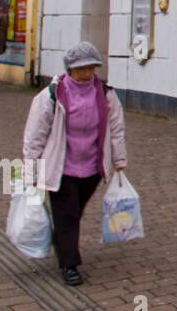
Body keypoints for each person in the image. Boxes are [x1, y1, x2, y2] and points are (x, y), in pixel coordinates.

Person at [21, 42, 127, 286]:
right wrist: (31, 170)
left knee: (74, 213)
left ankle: (61, 242)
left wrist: (119, 159)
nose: (87, 73)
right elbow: (34, 136)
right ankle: (69, 265)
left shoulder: (105, 94)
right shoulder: (52, 95)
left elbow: (116, 128)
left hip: (92, 167)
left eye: (91, 68)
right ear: (69, 69)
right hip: (61, 167)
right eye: (81, 69)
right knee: (67, 214)